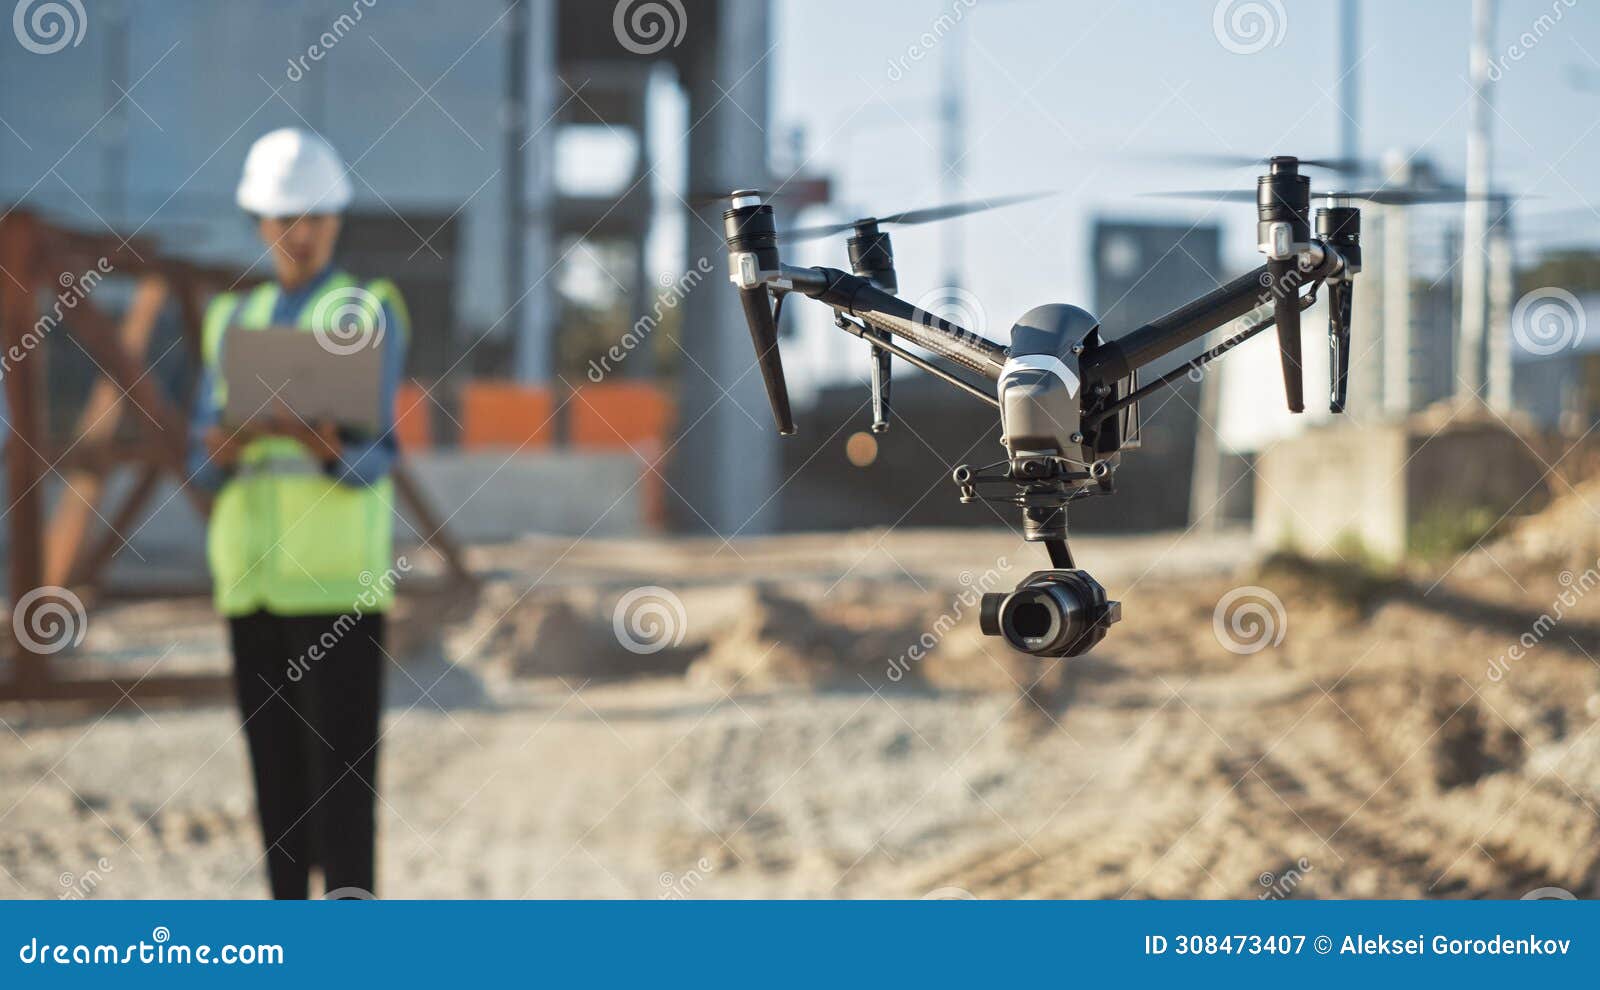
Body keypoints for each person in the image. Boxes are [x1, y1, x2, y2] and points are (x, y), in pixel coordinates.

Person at [187, 127, 409, 899]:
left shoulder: (368, 309)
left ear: (336, 220)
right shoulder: (228, 321)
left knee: (343, 804)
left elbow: (381, 454)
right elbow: (197, 463)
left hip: (338, 594)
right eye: (285, 217)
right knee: (276, 800)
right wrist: (219, 448)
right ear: (260, 222)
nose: (300, 232)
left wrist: (326, 450)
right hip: (250, 589)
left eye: (313, 215)